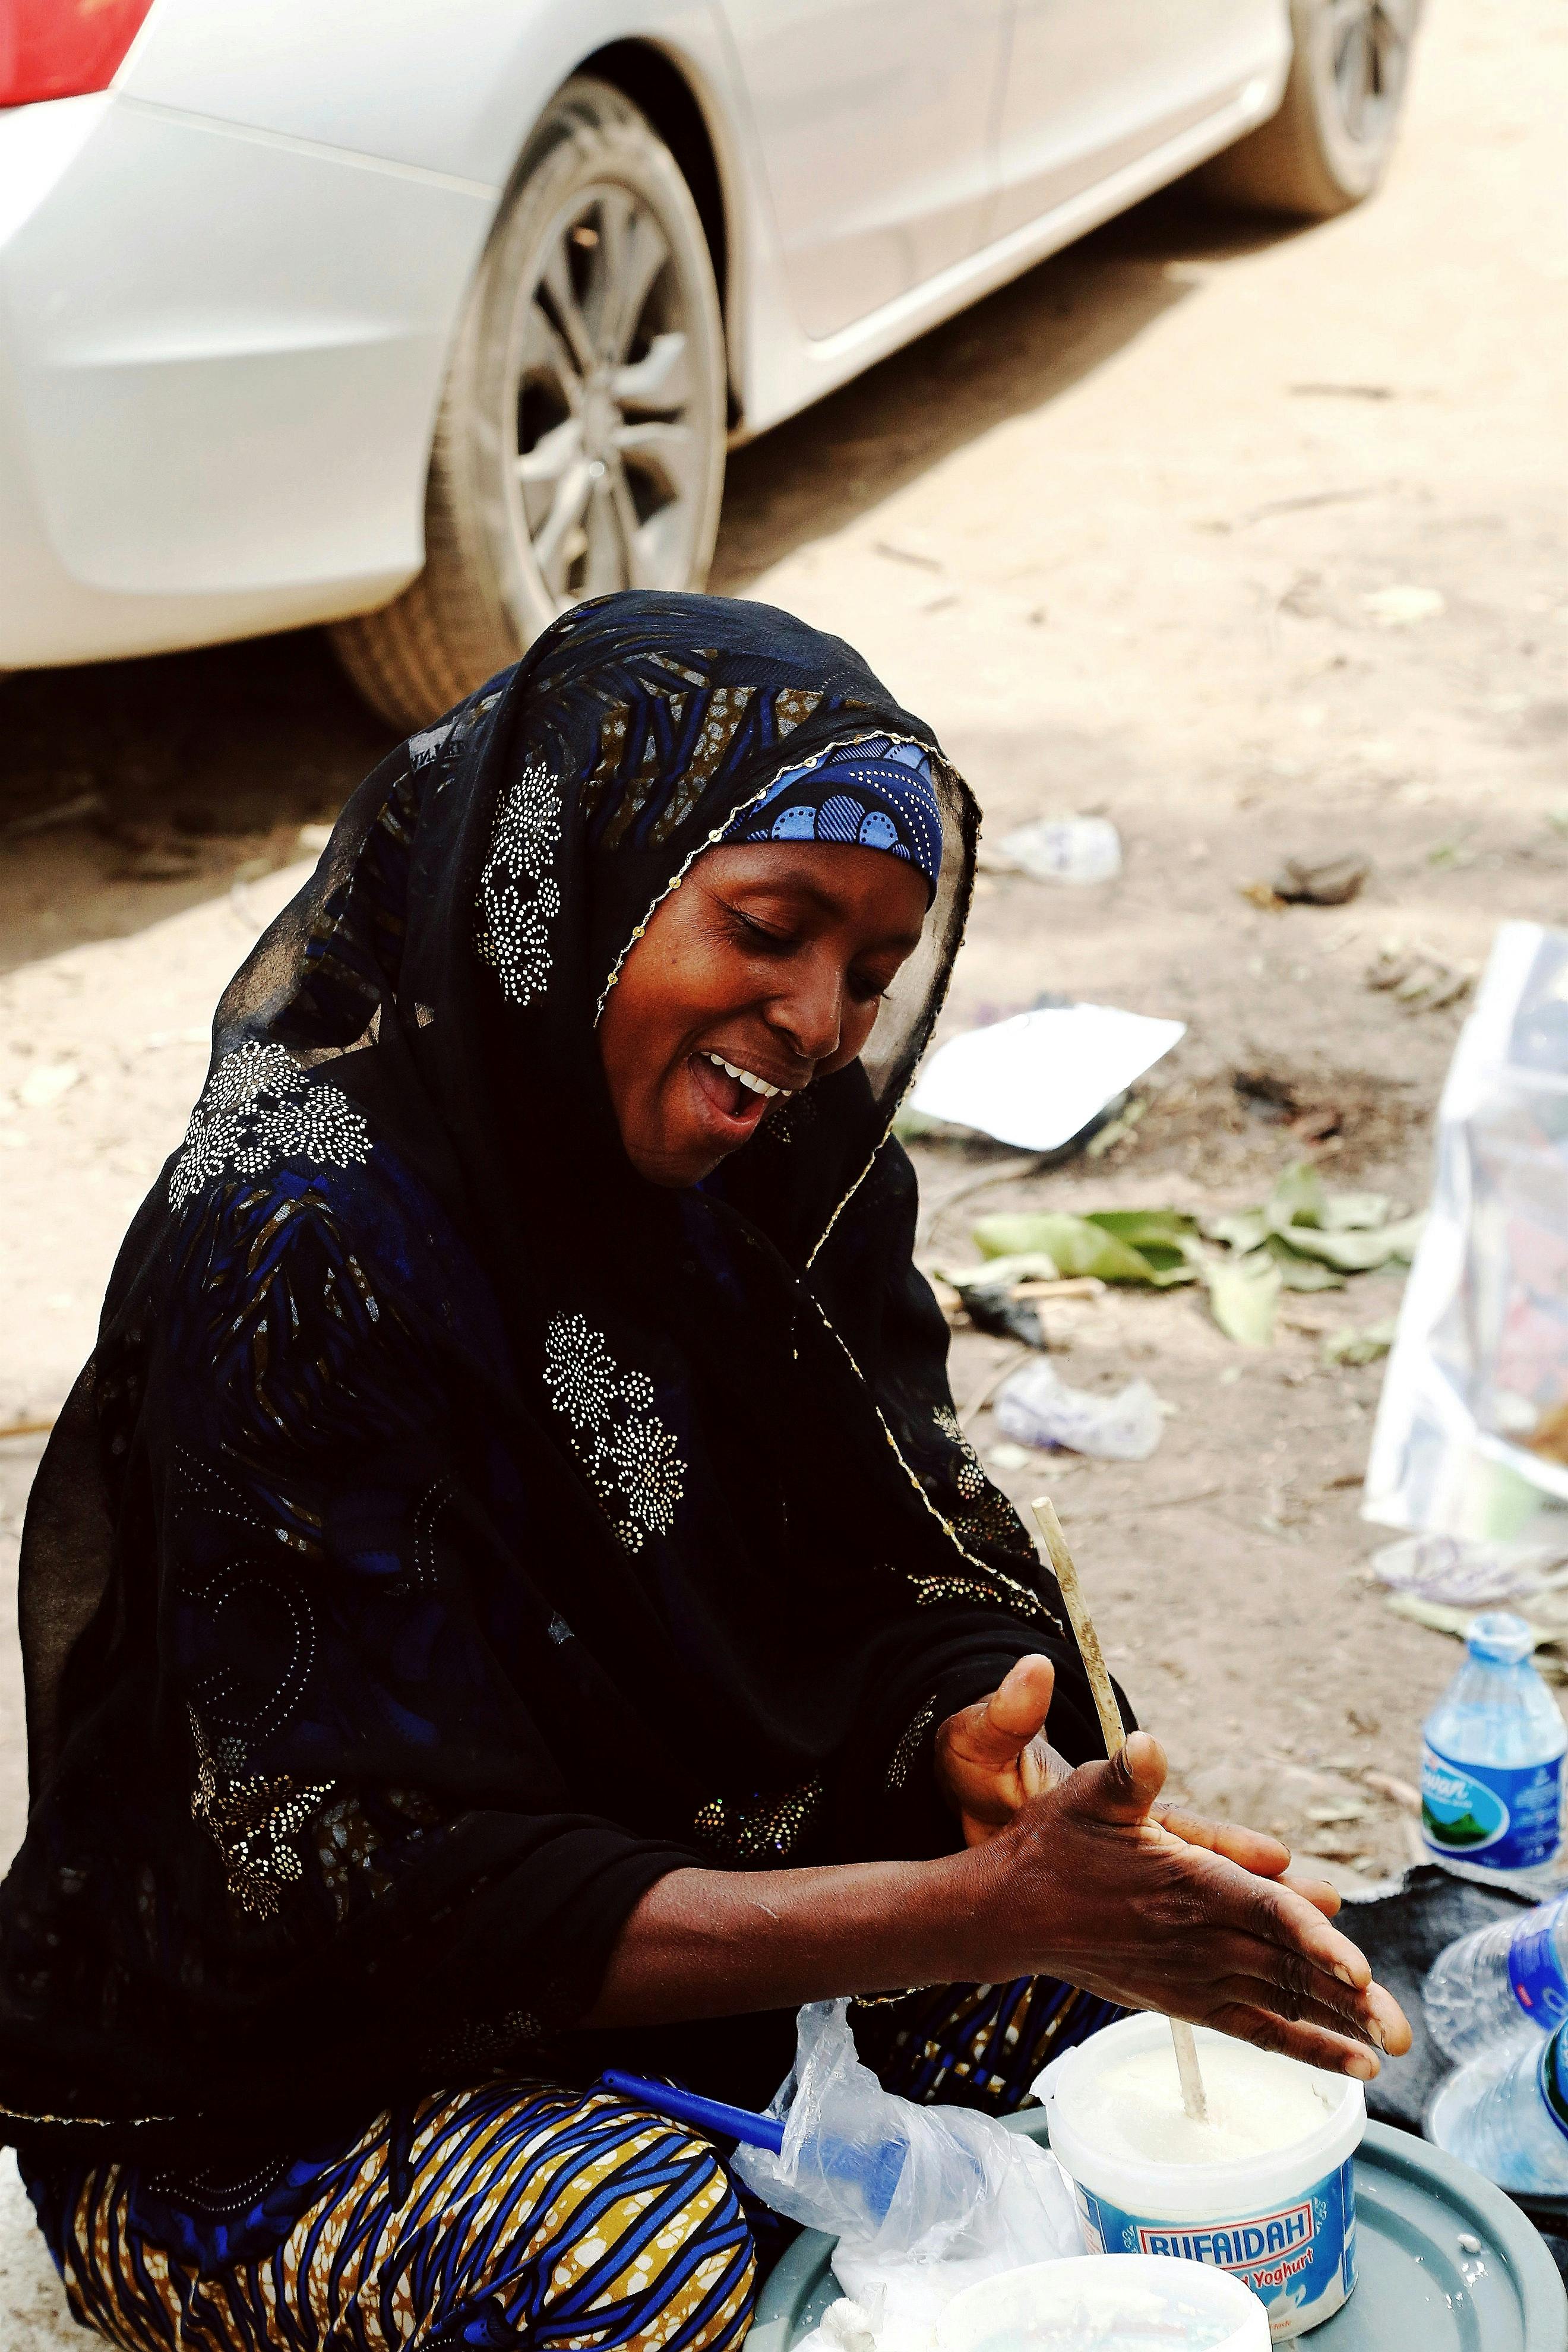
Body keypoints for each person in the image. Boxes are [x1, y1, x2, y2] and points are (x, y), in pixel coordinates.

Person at [0, 595, 1409, 2351]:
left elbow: (893, 1541)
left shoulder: (779, 1166)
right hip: (279, 2076)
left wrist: (970, 1737)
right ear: (560, 883)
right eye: (770, 927)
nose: (820, 1020)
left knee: (1141, 2023)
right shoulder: (300, 1255)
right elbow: (360, 1892)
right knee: (631, 2254)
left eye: (874, 973)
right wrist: (962, 1911)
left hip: (649, 1930)